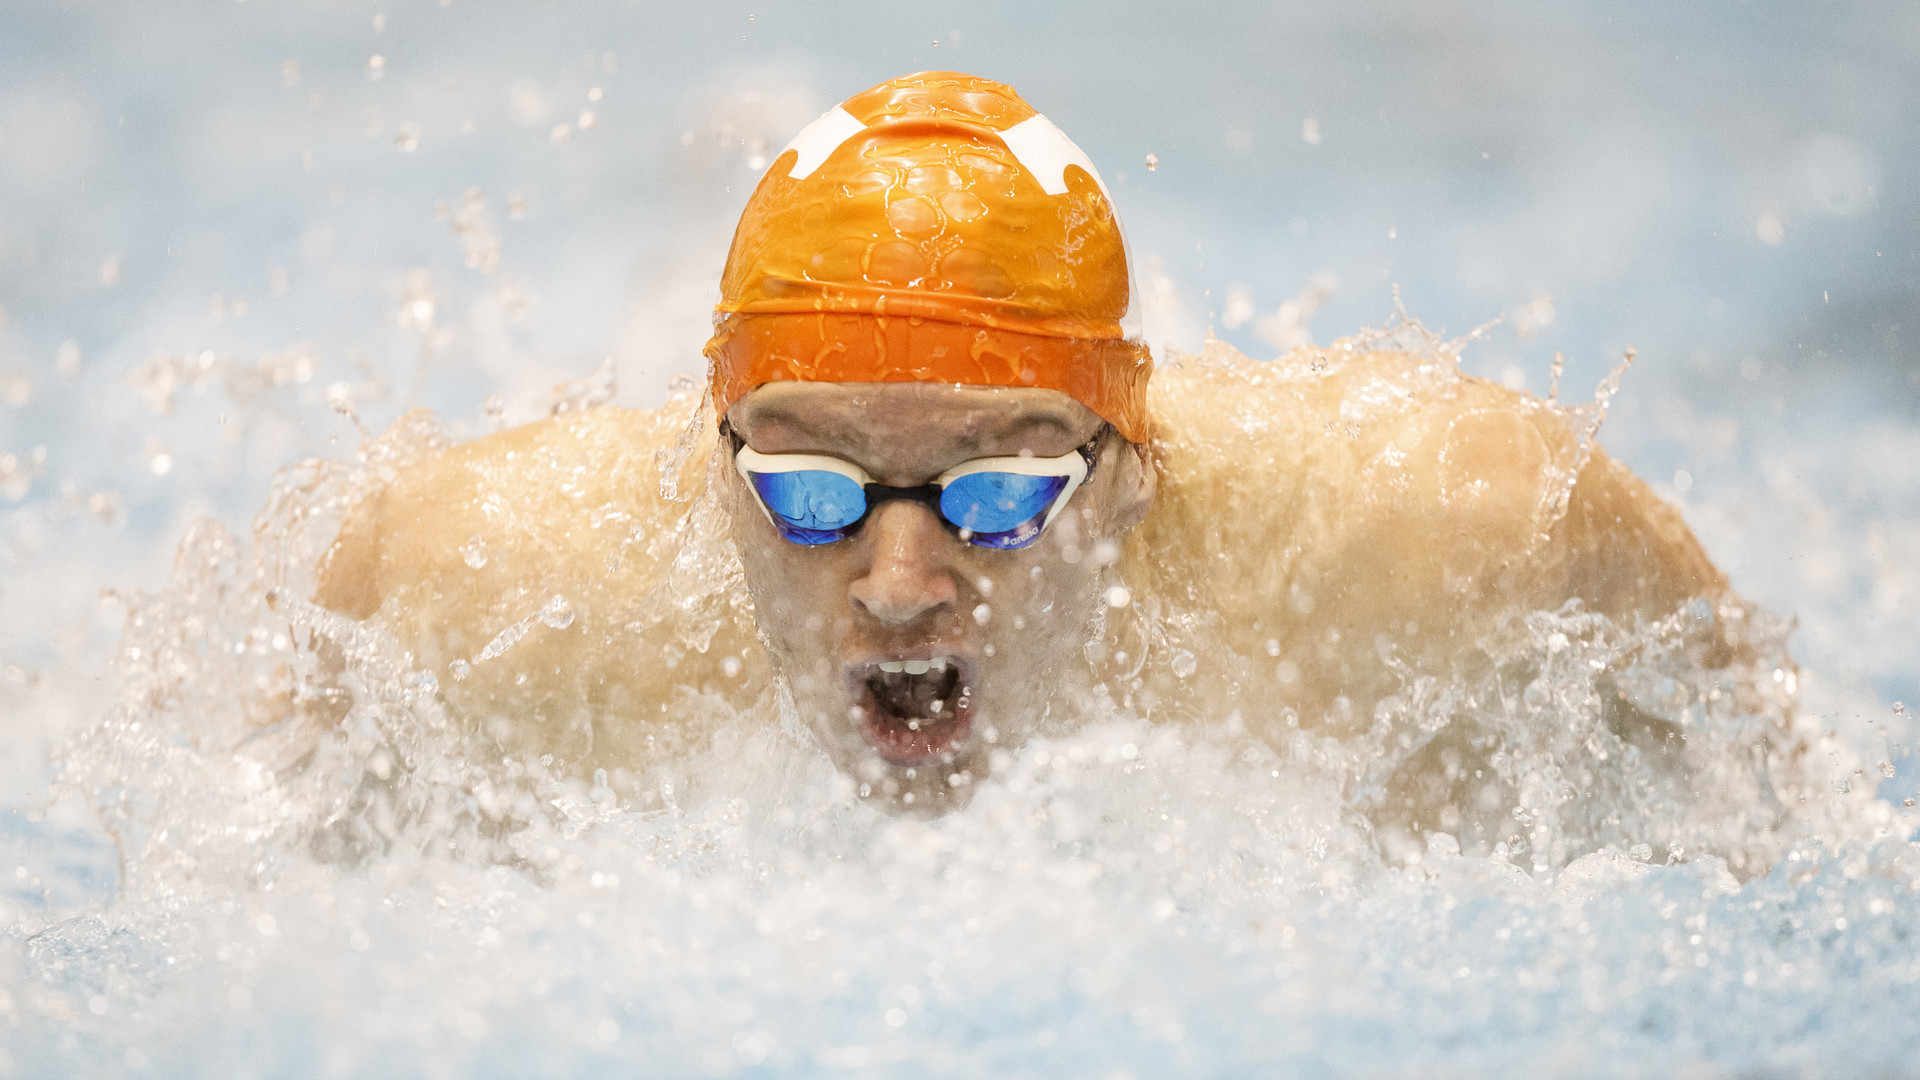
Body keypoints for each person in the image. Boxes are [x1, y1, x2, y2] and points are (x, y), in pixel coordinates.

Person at [316, 73, 1778, 843]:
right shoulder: (473, 582)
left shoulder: (1457, 530)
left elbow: (1772, 802)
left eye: (998, 495)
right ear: (716, 471)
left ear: (1129, 468)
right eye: (809, 494)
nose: (897, 587)